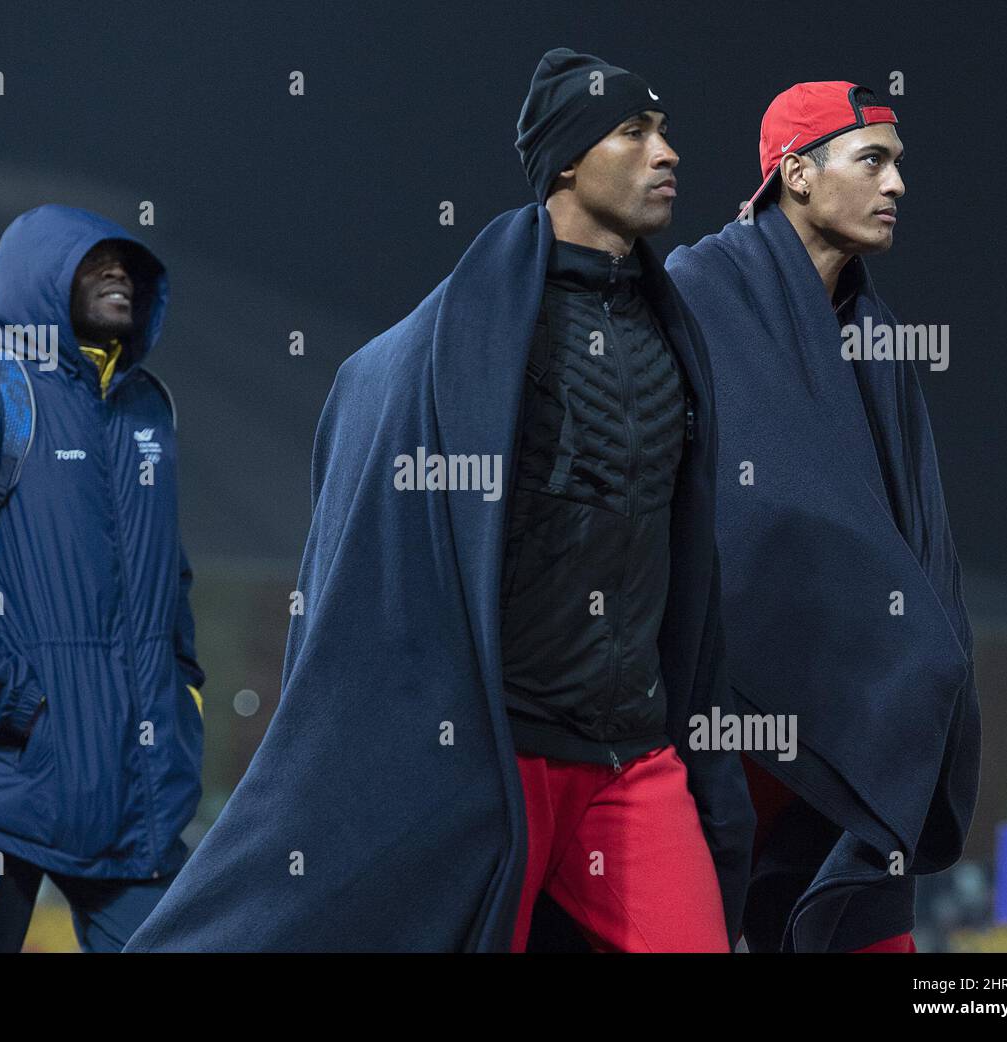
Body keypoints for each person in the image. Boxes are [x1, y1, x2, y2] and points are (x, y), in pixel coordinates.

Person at [126, 48, 753, 953]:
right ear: (569, 161)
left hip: (630, 759)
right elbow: (368, 503)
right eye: (634, 132)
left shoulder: (671, 330)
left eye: (663, 131)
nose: (667, 152)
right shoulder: (451, 340)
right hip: (499, 762)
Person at [665, 82, 981, 952]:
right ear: (797, 174)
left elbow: (906, 527)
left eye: (898, 163)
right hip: (724, 706)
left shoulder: (872, 335)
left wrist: (927, 649)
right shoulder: (698, 288)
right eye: (872, 159)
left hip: (844, 706)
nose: (897, 185)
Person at [0, 205, 206, 952]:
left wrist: (182, 700)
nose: (118, 274)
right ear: (40, 282)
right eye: (94, 262)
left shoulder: (149, 411)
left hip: (131, 798)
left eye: (127, 264)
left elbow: (170, 581)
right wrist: (32, 713)